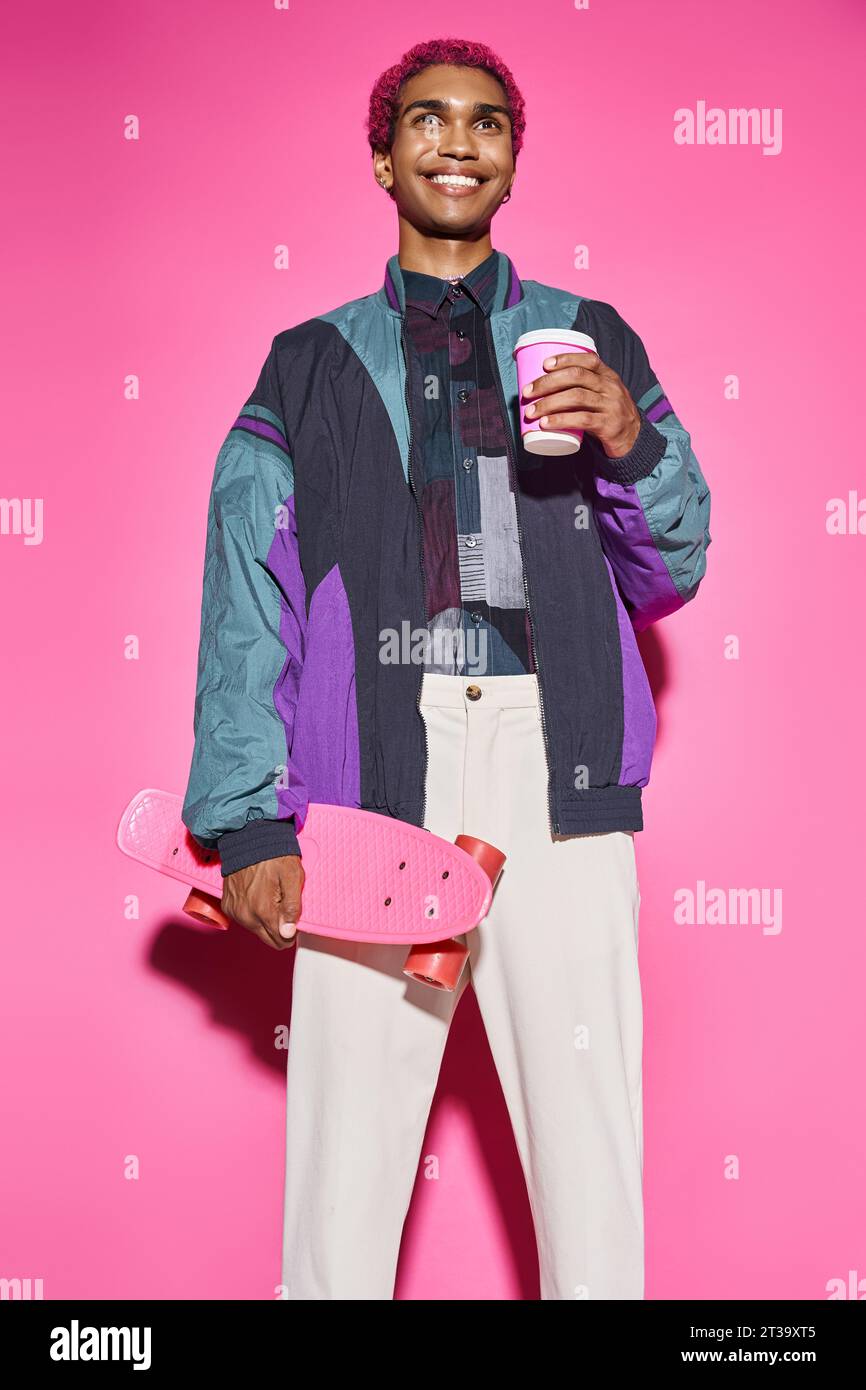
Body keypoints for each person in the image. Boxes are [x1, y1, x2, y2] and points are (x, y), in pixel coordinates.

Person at [181, 36, 711, 1301]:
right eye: (426, 120)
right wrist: (249, 818)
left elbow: (672, 567)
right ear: (383, 155)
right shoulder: (306, 361)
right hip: (372, 762)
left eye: (485, 123)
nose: (456, 141)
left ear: (513, 160)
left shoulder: (589, 336)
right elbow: (244, 586)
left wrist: (630, 441)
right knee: (344, 1156)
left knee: (589, 1141)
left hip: (557, 745)